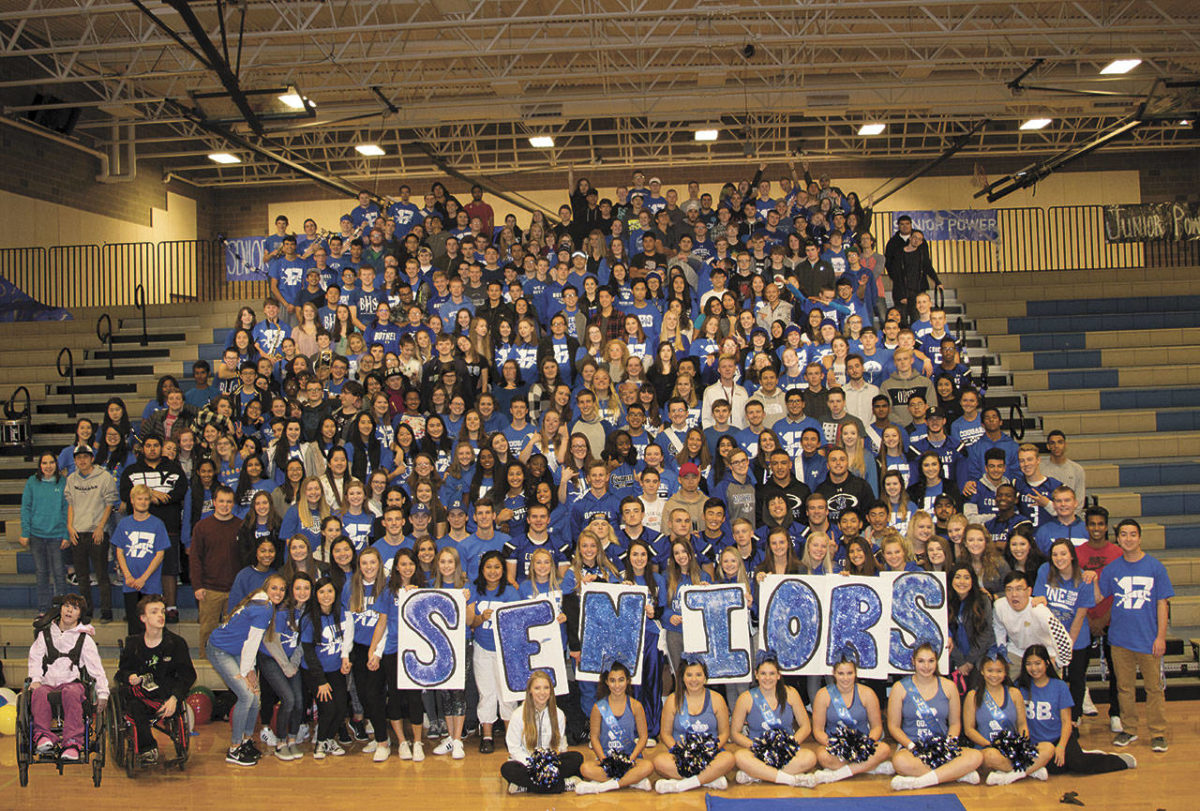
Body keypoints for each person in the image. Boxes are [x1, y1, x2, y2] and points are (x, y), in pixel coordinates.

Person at [1095, 518, 1173, 753]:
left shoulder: (1155, 567)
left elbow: (1162, 603)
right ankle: (1129, 729)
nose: (1128, 539)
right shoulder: (1111, 569)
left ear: (1139, 538)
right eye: (1123, 535)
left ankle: (1158, 733)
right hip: (1120, 640)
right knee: (1124, 688)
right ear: (1117, 539)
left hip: (1148, 640)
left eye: (1132, 534)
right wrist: (1089, 579)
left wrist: (1160, 637)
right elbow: (1098, 597)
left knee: (1154, 688)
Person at [206, 573, 287, 766]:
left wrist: (249, 671)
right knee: (246, 695)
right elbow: (252, 644)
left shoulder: (262, 601)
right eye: (274, 588)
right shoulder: (264, 608)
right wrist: (246, 673)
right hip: (220, 650)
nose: (278, 592)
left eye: (282, 589)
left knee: (255, 696)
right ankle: (234, 749)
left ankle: (246, 741)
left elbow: (249, 643)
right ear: (266, 588)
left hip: (236, 651)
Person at [1018, 644, 1134, 775]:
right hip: (1037, 742)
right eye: (1029, 664)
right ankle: (1075, 754)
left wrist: (1061, 747)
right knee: (1055, 769)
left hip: (1058, 738)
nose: (1033, 668)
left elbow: (1067, 722)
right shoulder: (1020, 688)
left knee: (1078, 764)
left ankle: (1118, 760)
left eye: (1037, 663)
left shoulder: (1059, 687)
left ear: (1047, 663)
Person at [887, 641, 983, 790]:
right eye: (921, 661)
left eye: (931, 661)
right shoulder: (899, 688)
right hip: (912, 748)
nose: (926, 666)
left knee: (976, 756)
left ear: (937, 662)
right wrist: (911, 746)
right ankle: (955, 774)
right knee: (899, 762)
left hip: (942, 747)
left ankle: (919, 781)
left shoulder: (949, 686)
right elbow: (893, 726)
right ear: (913, 661)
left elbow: (955, 723)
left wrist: (949, 744)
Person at [26, 593, 110, 761]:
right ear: (61, 609)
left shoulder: (84, 639)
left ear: (80, 614)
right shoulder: (45, 634)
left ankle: (72, 742)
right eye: (66, 606)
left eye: (75, 608)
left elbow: (96, 669)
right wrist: (35, 679)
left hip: (72, 682)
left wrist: (103, 693)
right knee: (39, 693)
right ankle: (43, 737)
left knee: (71, 692)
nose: (69, 610)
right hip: (48, 682)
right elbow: (34, 658)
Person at [115, 594, 197, 765]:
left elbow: (187, 675)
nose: (161, 615)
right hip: (140, 695)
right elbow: (122, 672)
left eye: (162, 611)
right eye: (154, 612)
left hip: (165, 695)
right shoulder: (133, 644)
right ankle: (147, 748)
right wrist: (130, 676)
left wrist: (175, 699)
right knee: (133, 703)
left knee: (138, 700)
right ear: (143, 618)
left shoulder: (176, 643)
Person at [962, 646, 1054, 784]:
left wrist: (1021, 743)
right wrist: (990, 744)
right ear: (982, 671)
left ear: (1005, 673)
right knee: (989, 756)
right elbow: (969, 730)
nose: (994, 675)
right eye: (990, 671)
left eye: (999, 671)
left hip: (1013, 749)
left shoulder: (1014, 693)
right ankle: (1029, 769)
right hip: (988, 748)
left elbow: (1022, 724)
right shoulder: (973, 696)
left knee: (1048, 748)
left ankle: (1009, 775)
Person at [729, 650, 819, 787]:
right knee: (740, 757)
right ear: (756, 675)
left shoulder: (791, 693)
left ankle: (759, 774)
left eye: (772, 673)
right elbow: (735, 733)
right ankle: (790, 779)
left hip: (786, 750)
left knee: (810, 758)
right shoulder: (746, 698)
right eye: (763, 674)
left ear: (778, 675)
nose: (767, 678)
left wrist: (791, 744)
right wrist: (755, 746)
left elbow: (805, 726)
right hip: (758, 752)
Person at [652, 656, 736, 793]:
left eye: (698, 675)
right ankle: (707, 779)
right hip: (681, 755)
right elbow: (665, 734)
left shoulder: (717, 699)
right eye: (689, 675)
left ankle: (684, 784)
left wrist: (710, 750)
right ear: (682, 677)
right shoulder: (673, 700)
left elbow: (724, 733)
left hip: (710, 754)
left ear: (705, 677)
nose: (694, 680)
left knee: (729, 758)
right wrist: (679, 751)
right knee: (659, 762)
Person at [1034, 538, 1095, 721]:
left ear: (1072, 556)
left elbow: (1080, 615)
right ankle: (1053, 718)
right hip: (1049, 638)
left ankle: (1075, 719)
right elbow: (1039, 603)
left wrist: (1066, 645)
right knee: (1052, 679)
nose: (1059, 558)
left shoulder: (1084, 579)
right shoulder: (1045, 571)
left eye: (1063, 554)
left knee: (1076, 680)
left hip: (1076, 639)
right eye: (1055, 554)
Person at [810, 651, 894, 783]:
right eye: (841, 674)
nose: (845, 678)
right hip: (835, 746)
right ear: (834, 674)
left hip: (862, 743)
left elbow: (877, 727)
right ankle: (868, 767)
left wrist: (867, 744)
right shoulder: (823, 694)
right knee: (821, 756)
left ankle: (840, 773)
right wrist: (833, 744)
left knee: (884, 749)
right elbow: (818, 731)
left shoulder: (867, 693)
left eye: (849, 673)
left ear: (855, 674)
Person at [575, 659, 656, 793]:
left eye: (621, 680)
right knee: (585, 769)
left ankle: (605, 785)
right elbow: (594, 738)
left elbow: (643, 737)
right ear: (606, 682)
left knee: (648, 766)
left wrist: (631, 759)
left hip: (630, 758)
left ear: (628, 680)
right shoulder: (598, 707)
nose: (617, 685)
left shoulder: (636, 706)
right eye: (612, 680)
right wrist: (604, 760)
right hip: (607, 757)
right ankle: (631, 781)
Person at [502, 670, 583, 794]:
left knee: (577, 758)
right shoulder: (518, 715)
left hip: (550, 763)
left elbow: (558, 746)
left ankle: (526, 786)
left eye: (546, 688)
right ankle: (562, 785)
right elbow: (514, 748)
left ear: (551, 691)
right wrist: (533, 765)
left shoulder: (558, 714)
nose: (542, 693)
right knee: (508, 769)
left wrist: (548, 765)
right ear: (530, 691)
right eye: (537, 688)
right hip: (527, 763)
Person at [64, 445, 118, 622]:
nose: (82, 460)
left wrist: (100, 527)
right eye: (78, 458)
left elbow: (110, 503)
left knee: (102, 574)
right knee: (82, 577)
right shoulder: (71, 479)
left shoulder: (104, 477)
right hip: (78, 532)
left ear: (92, 458)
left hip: (97, 532)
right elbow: (71, 504)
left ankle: (106, 611)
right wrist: (70, 527)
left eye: (85, 457)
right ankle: (86, 611)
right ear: (75, 460)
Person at [111, 484, 171, 636]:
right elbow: (120, 552)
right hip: (130, 584)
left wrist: (143, 578)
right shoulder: (124, 523)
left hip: (150, 584)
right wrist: (128, 576)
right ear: (132, 500)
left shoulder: (157, 524)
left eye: (146, 499)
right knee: (133, 625)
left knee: (153, 626)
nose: (143, 502)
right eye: (139, 499)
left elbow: (160, 554)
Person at [190, 485, 243, 653]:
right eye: (221, 501)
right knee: (207, 630)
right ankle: (206, 666)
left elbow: (246, 558)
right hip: (209, 589)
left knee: (234, 631)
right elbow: (195, 558)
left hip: (235, 590)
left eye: (229, 502)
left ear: (233, 504)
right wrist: (198, 586)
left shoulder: (241, 526)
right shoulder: (202, 527)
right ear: (214, 502)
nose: (225, 505)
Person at [993, 570, 1072, 679]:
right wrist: (1001, 648)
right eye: (1009, 589)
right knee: (1002, 682)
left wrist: (1059, 663)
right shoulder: (999, 606)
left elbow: (1064, 639)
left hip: (1045, 655)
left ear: (1029, 591)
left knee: (1048, 691)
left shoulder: (1039, 611)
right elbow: (998, 628)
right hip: (1016, 653)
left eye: (1019, 589)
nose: (1014, 594)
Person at [19, 452, 69, 617]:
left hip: (56, 536)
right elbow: (26, 508)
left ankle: (61, 607)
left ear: (56, 464)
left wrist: (66, 535)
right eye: (44, 463)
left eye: (51, 462)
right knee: (41, 572)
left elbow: (67, 510)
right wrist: (25, 532)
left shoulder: (63, 483)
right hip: (36, 535)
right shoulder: (32, 482)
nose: (48, 466)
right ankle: (43, 609)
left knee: (59, 572)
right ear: (40, 466)